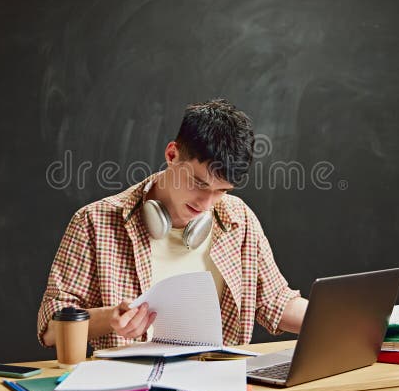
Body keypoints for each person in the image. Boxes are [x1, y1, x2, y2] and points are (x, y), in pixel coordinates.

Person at [38, 99, 308, 350]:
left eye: (222, 190)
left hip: (214, 389)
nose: (206, 203)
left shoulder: (239, 219)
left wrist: (343, 321)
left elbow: (276, 303)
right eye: (198, 184)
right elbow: (50, 328)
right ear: (172, 154)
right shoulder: (94, 222)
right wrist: (109, 318)